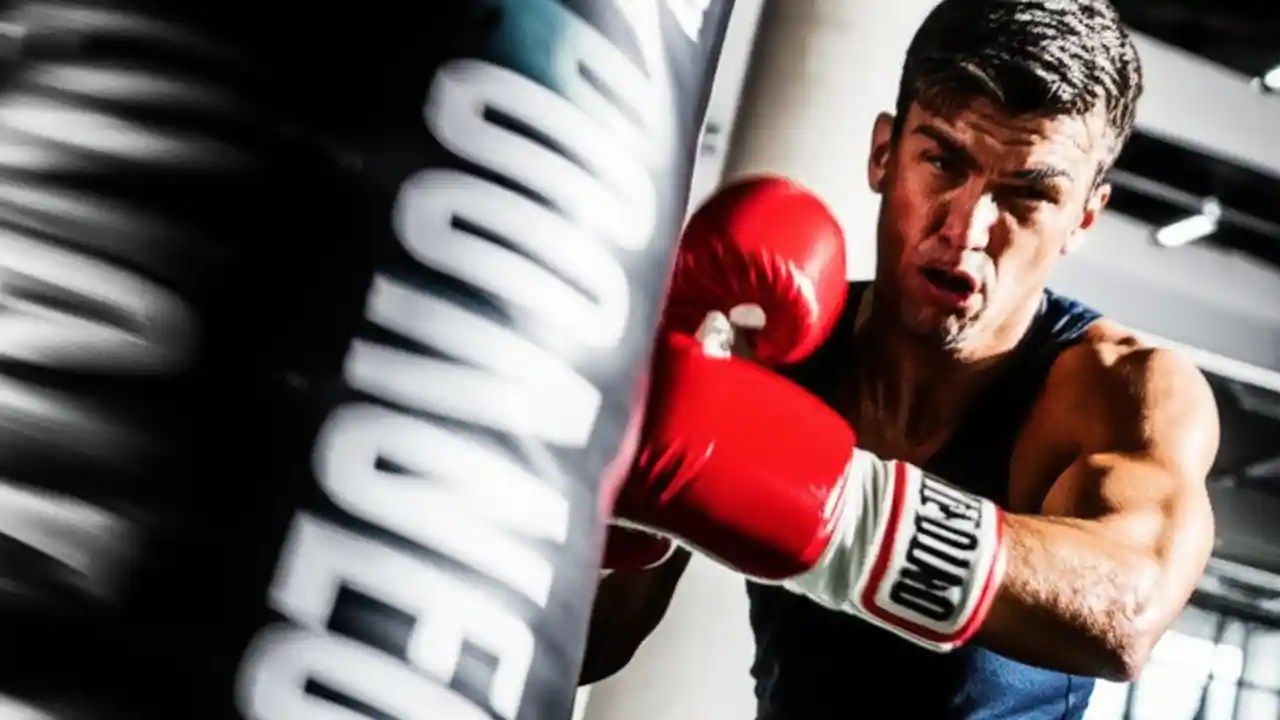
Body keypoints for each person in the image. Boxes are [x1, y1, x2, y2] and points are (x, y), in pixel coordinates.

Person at [581, 1, 1220, 718]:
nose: (967, 228)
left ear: (1083, 218)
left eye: (1029, 195)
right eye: (943, 161)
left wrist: (817, 502)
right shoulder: (774, 341)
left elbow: (1127, 610)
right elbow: (593, 644)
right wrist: (638, 472)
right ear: (884, 153)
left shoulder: (1119, 387)